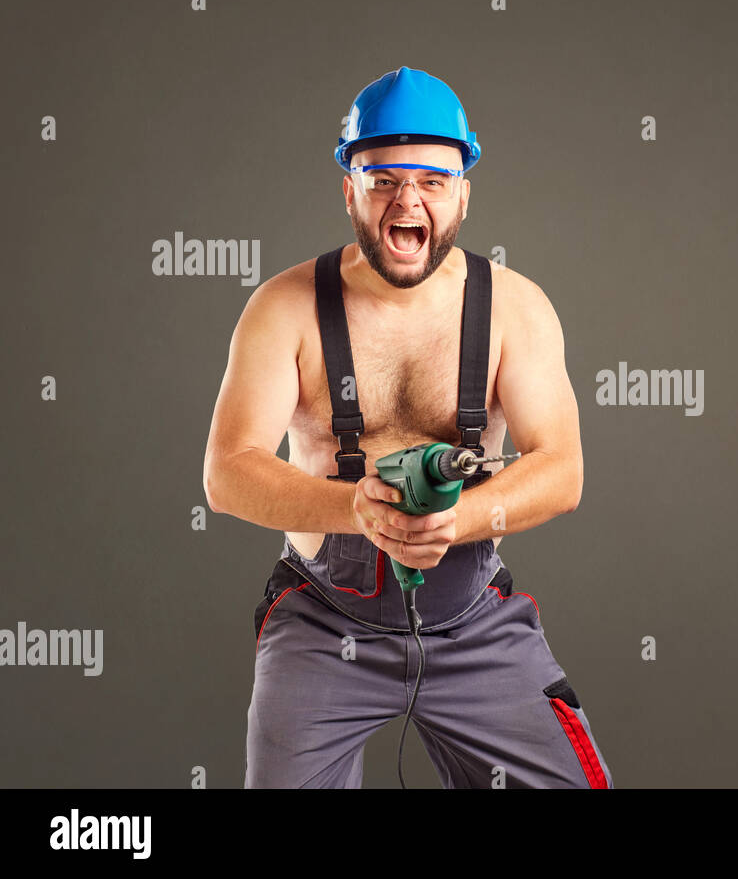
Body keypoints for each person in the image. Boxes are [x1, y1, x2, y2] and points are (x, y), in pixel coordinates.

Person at [202, 66, 612, 789]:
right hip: (324, 622)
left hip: (474, 619)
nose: (407, 199)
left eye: (431, 179)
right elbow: (228, 470)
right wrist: (355, 509)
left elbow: (563, 468)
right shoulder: (284, 308)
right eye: (384, 177)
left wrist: (458, 520)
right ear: (349, 187)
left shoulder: (516, 308)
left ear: (463, 192)